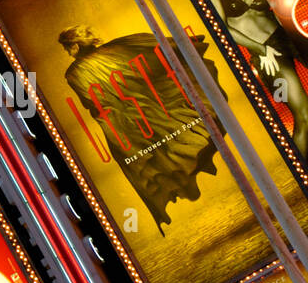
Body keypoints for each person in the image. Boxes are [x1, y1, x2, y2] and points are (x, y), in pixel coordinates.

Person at [58, 25, 225, 235]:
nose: (67, 52)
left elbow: (93, 103)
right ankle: (183, 185)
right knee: (161, 154)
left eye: (67, 47)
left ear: (74, 44)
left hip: (128, 122)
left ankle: (179, 186)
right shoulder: (121, 47)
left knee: (148, 162)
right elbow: (157, 51)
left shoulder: (76, 72)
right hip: (142, 114)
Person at [199, 0, 308, 157]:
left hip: (289, 36)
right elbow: (220, 29)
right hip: (267, 52)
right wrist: (261, 50)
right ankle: (304, 175)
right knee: (303, 115)